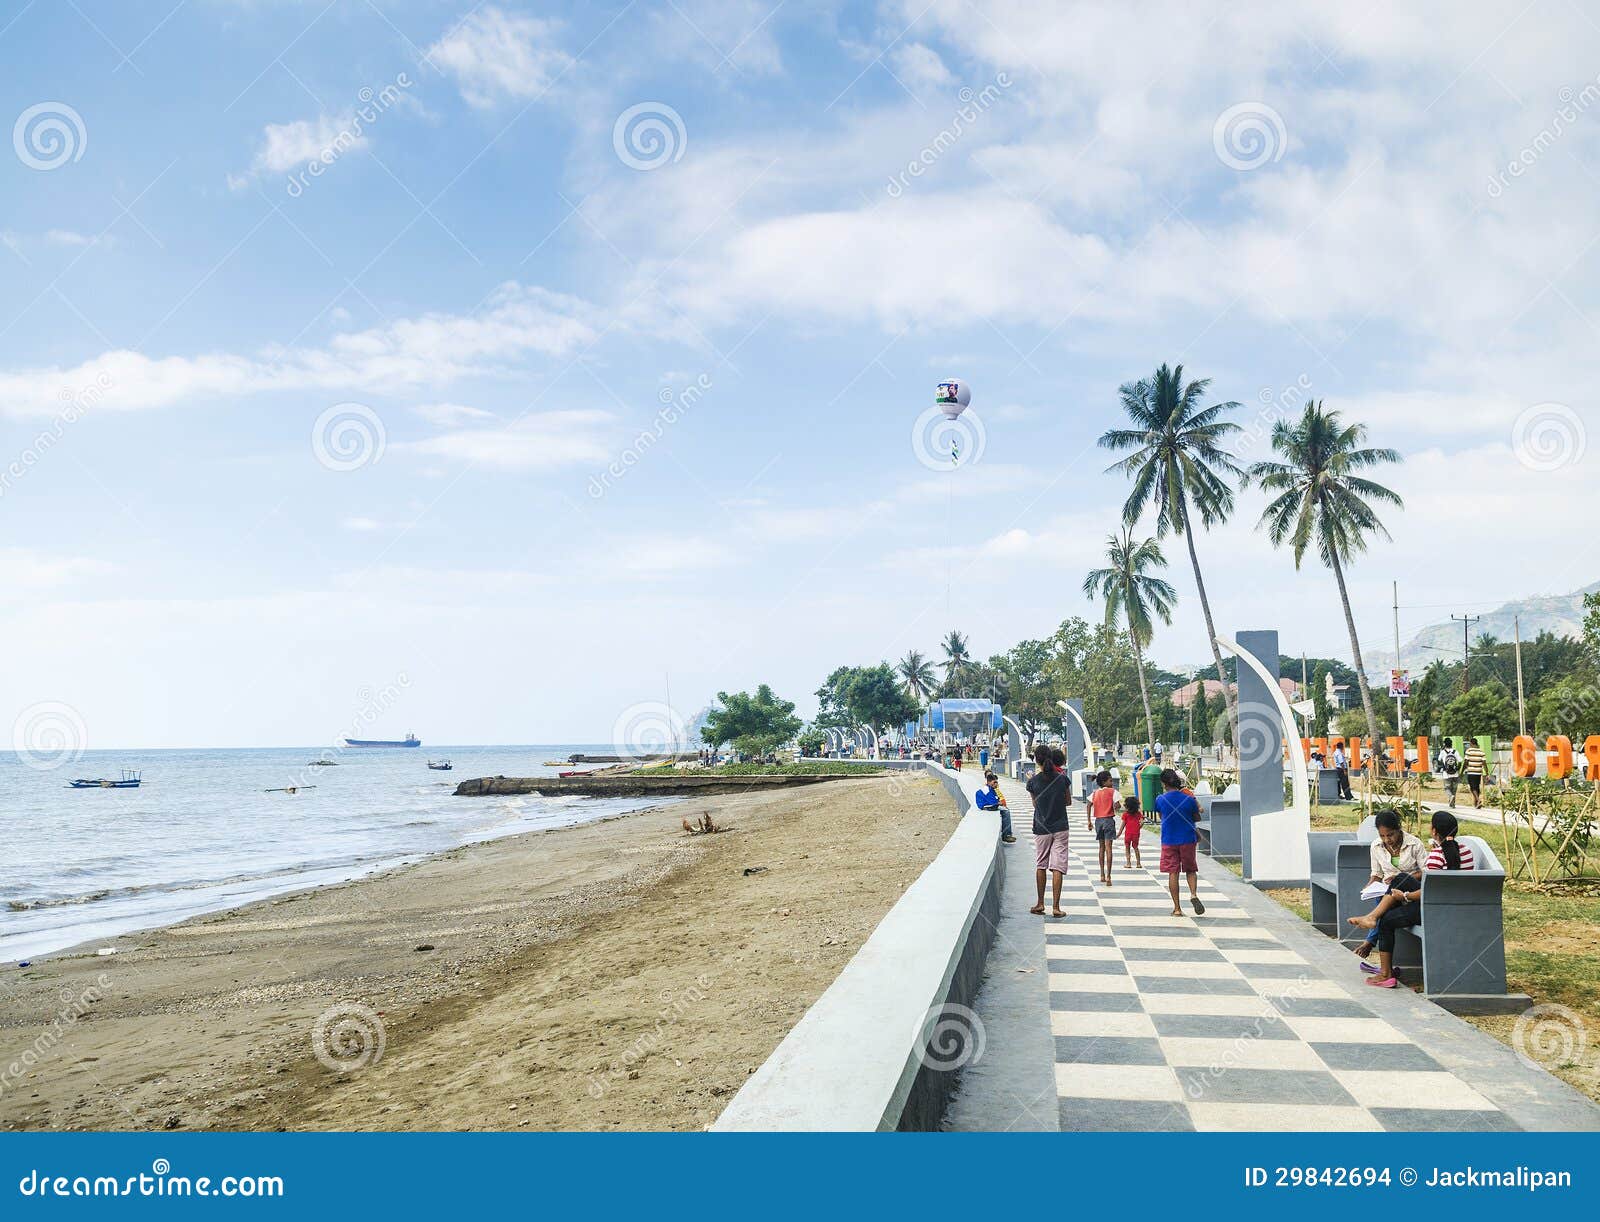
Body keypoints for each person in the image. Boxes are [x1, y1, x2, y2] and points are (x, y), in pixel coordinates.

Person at [1352, 811, 1476, 988]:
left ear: (1433, 831)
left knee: (1386, 920)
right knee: (1399, 879)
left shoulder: (1436, 856)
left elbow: (1430, 892)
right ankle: (1372, 920)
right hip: (1455, 907)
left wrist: (1405, 896)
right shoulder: (1467, 852)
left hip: (1431, 909)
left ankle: (1385, 973)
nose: (1386, 839)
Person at [1346, 809, 1428, 968]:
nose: (1387, 839)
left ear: (1399, 829)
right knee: (1383, 897)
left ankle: (1370, 939)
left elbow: (1426, 872)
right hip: (1388, 892)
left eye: (1390, 835)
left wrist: (1405, 877)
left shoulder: (1414, 844)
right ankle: (1377, 952)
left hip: (1410, 890)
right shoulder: (1376, 846)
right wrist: (1369, 886)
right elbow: (1376, 874)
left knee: (1399, 879)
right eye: (1382, 835)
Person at [1026, 745, 1071, 917]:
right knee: (1057, 867)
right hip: (1061, 826)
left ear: (1036, 761)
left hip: (1041, 827)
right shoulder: (1062, 779)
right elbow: (1068, 802)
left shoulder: (1033, 782)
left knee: (1041, 865)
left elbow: (1035, 804)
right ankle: (1056, 907)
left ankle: (1040, 903)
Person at [1155, 768, 1205, 917]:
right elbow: (1197, 818)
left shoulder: (1160, 799)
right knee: (1190, 870)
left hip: (1169, 839)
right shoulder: (1189, 799)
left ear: (1164, 784)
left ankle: (1177, 909)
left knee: (1173, 872)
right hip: (1188, 839)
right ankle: (1193, 894)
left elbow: (1161, 816)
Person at [1086, 770, 1119, 886]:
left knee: (1101, 848)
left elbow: (1088, 804)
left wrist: (1089, 820)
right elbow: (1117, 806)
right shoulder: (1113, 792)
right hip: (1109, 821)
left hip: (1098, 821)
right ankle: (1109, 876)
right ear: (1104, 782)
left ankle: (1102, 874)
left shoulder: (1095, 793)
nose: (1112, 783)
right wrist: (1116, 806)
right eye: (1110, 781)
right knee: (1109, 848)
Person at [975, 770, 1016, 843]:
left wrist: (999, 802)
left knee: (1005, 809)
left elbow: (998, 799)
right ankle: (1006, 835)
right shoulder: (987, 790)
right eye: (994, 782)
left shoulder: (992, 788)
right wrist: (999, 803)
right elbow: (994, 802)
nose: (996, 784)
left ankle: (1007, 833)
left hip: (990, 805)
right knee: (1006, 811)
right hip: (986, 806)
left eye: (996, 782)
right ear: (988, 782)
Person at [1461, 737, 1487, 809]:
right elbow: (1484, 763)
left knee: (1472, 787)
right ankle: (1476, 804)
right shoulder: (1481, 751)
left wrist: (1462, 771)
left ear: (1471, 743)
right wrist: (1487, 772)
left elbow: (1466, 762)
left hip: (1471, 771)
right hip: (1478, 772)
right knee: (1477, 787)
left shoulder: (1469, 751)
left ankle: (1478, 800)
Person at [1436, 743, 1462, 808]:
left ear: (1445, 745)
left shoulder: (1443, 752)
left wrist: (1444, 764)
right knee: (1454, 789)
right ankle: (1453, 804)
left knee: (1447, 788)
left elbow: (1439, 760)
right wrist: (1457, 768)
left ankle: (1451, 797)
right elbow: (1460, 761)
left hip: (1446, 774)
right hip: (1455, 774)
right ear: (1451, 744)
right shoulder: (1455, 751)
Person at [1121, 792, 1143, 869]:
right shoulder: (1138, 814)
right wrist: (1138, 827)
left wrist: (1119, 834)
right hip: (1136, 834)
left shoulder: (1125, 814)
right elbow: (1142, 823)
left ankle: (1128, 863)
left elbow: (1122, 825)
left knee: (1127, 848)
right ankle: (1138, 863)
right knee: (1136, 847)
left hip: (1128, 834)